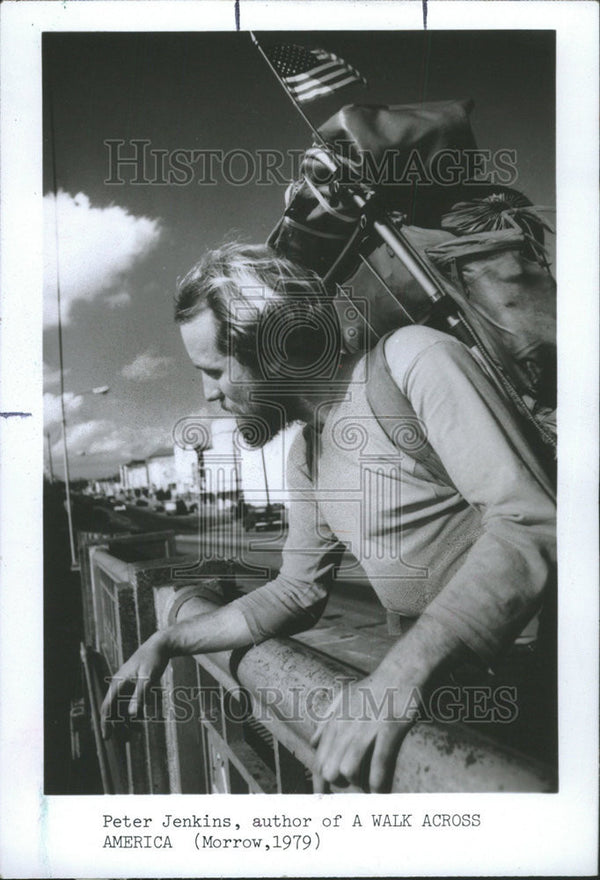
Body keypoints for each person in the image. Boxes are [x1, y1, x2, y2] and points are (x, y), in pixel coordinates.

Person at [101, 242, 556, 792]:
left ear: (269, 346)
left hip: (539, 688)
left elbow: (528, 522)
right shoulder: (307, 454)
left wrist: (392, 680)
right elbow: (295, 593)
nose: (209, 394)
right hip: (450, 702)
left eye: (215, 369)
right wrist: (167, 641)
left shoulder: (414, 360)